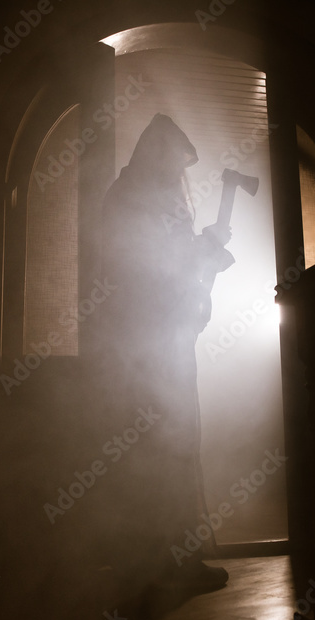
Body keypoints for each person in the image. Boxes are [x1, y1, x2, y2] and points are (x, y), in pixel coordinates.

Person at [97, 114, 234, 592]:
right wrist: (205, 252)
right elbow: (147, 271)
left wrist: (205, 250)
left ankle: (170, 563)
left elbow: (172, 261)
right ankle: (158, 567)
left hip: (161, 345)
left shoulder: (138, 199)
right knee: (158, 449)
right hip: (146, 350)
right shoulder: (133, 203)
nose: (180, 177)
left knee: (171, 448)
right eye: (174, 165)